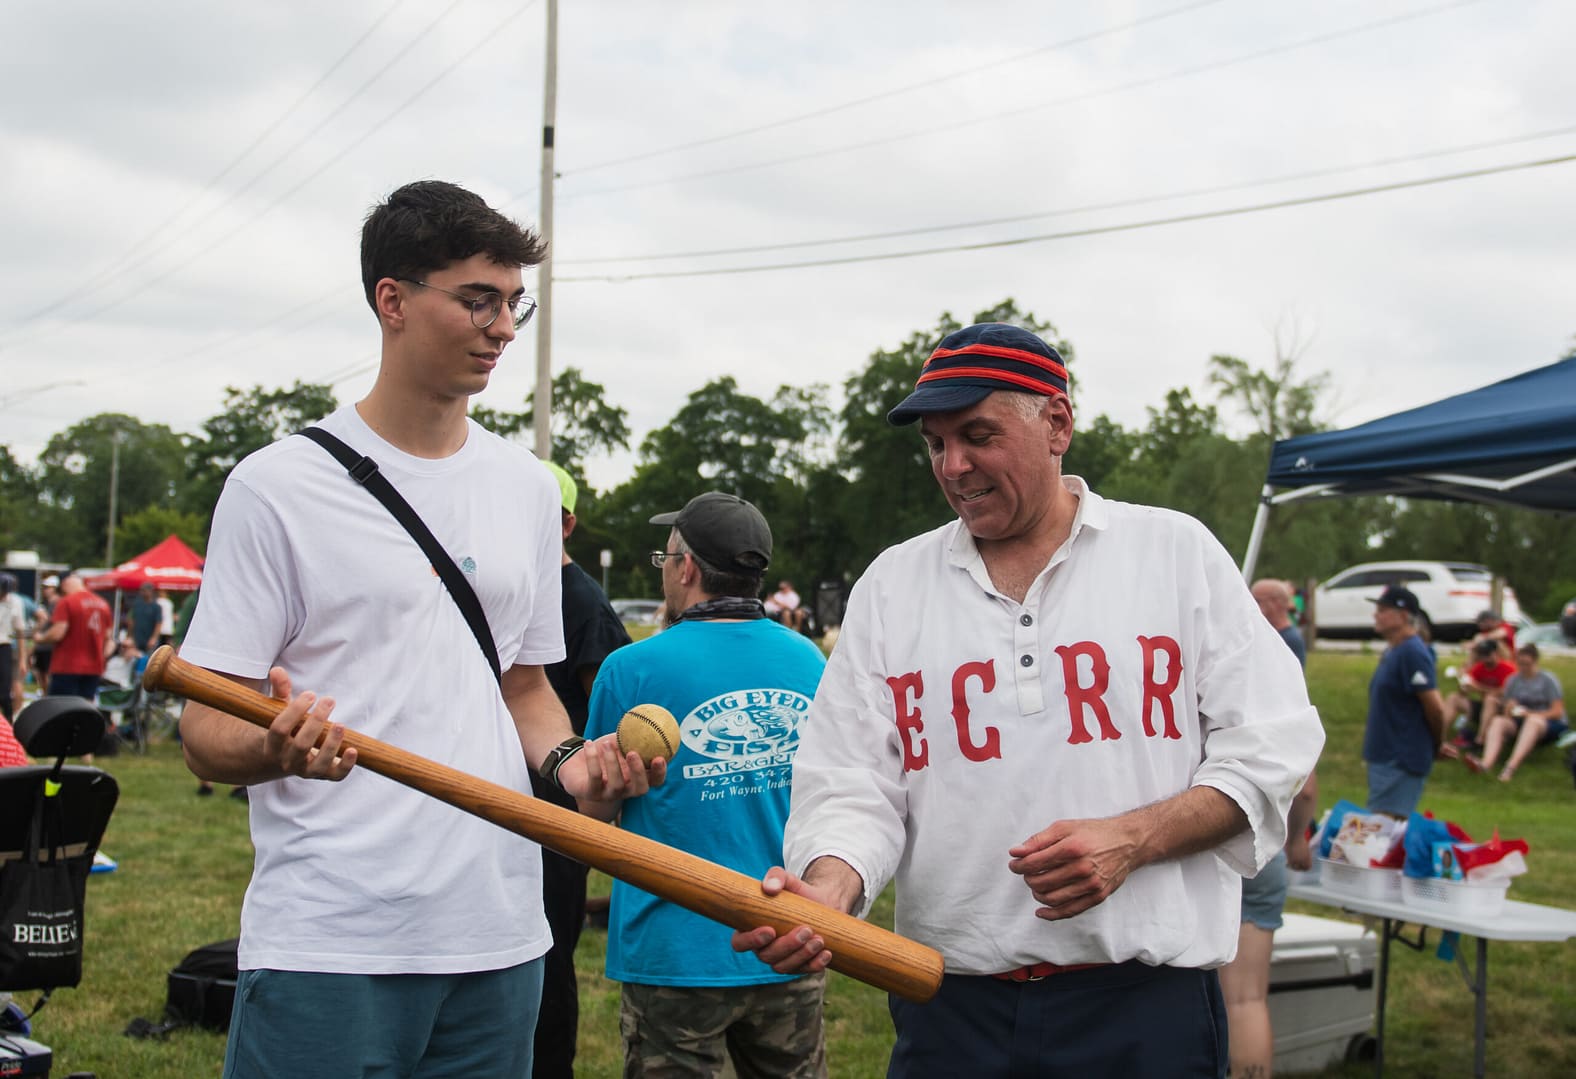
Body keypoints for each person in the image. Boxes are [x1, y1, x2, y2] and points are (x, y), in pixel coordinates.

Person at [731, 322, 1323, 1077]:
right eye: (936, 444)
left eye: (978, 434)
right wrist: (830, 888)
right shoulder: (893, 585)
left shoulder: (1173, 555)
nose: (954, 465)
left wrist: (1135, 838)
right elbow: (853, 781)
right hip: (952, 1010)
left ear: (1057, 424)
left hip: (1145, 1009)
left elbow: (1271, 745)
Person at [175, 179, 659, 1079]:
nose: (505, 327)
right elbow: (204, 726)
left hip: (500, 938)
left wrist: (569, 764)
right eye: (478, 298)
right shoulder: (276, 487)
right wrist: (272, 745)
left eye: (515, 302)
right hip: (330, 942)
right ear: (391, 300)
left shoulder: (524, 488)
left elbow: (524, 689)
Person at [585, 491, 830, 1078]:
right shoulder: (811, 662)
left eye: (665, 559)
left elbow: (590, 813)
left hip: (674, 951)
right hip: (787, 933)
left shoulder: (631, 668)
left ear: (686, 568)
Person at [530, 460, 632, 1079]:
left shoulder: (583, 603)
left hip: (558, 811)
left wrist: (592, 788)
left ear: (567, 523)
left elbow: (610, 712)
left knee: (546, 957)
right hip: (506, 804)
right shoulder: (519, 588)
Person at [1219, 579, 1320, 1079]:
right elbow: (1304, 788)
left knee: (1222, 1003)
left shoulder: (1211, 684)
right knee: (1248, 999)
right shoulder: (1279, 695)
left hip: (1224, 855)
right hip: (1268, 857)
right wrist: (1297, 836)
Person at [1362, 585, 1446, 818]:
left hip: (1400, 757)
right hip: (1385, 753)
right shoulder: (1393, 650)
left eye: (1383, 610)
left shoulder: (1413, 652)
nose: (1376, 615)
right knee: (1380, 828)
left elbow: (1435, 707)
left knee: (1383, 828)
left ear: (1404, 615)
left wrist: (1436, 744)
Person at [1470, 643, 1567, 782]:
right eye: (1520, 663)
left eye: (1527, 664)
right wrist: (1509, 708)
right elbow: (1507, 711)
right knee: (1498, 721)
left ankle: (1510, 767)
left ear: (1535, 662)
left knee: (1532, 721)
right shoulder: (1513, 680)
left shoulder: (1547, 680)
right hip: (1520, 719)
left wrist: (1529, 713)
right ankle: (1486, 763)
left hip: (1548, 722)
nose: (1523, 668)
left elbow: (1557, 712)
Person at [37, 573, 113, 701]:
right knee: (85, 705)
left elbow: (58, 632)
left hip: (67, 665)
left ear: (65, 585)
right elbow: (109, 639)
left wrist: (41, 638)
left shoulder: (67, 602)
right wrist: (102, 656)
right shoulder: (103, 604)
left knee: (60, 707)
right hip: (94, 667)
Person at [1439, 638, 1514, 759]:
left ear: (1496, 653)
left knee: (1490, 700)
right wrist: (1464, 684)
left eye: (1487, 654)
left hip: (1500, 708)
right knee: (1453, 698)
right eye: (1482, 655)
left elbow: (1503, 693)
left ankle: (1480, 740)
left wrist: (1478, 687)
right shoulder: (1479, 668)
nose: (1485, 658)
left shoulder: (1508, 669)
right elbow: (1465, 691)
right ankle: (1438, 736)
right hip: (1483, 706)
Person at [0, 574, 26, 721]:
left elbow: (20, 631)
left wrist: (23, 658)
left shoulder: (15, 602)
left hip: (4, 645)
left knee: (4, 692)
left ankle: (9, 723)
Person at [29, 575, 60, 694]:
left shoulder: (58, 603)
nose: (45, 590)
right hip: (41, 645)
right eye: (44, 587)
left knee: (48, 674)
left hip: (50, 645)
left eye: (48, 587)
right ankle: (45, 696)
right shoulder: (45, 604)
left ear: (54, 588)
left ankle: (48, 697)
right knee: (41, 674)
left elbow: (45, 620)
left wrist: (36, 631)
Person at [128, 582, 163, 654]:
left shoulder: (156, 607)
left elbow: (158, 623)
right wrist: (130, 635)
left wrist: (154, 638)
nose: (142, 593)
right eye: (141, 590)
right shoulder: (137, 605)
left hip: (149, 638)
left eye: (144, 590)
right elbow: (131, 620)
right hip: (138, 638)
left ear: (151, 592)